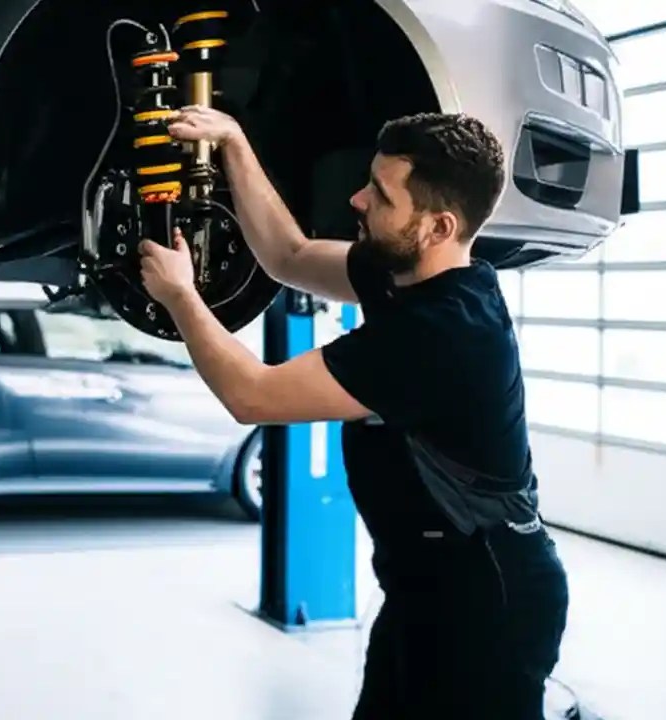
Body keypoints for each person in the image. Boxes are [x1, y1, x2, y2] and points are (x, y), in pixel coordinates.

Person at [138, 107, 570, 719]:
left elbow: (251, 396)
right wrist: (234, 138)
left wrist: (181, 296)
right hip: (424, 588)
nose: (357, 199)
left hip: (487, 601)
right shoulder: (411, 272)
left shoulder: (443, 333)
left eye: (382, 195)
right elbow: (288, 255)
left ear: (438, 226)